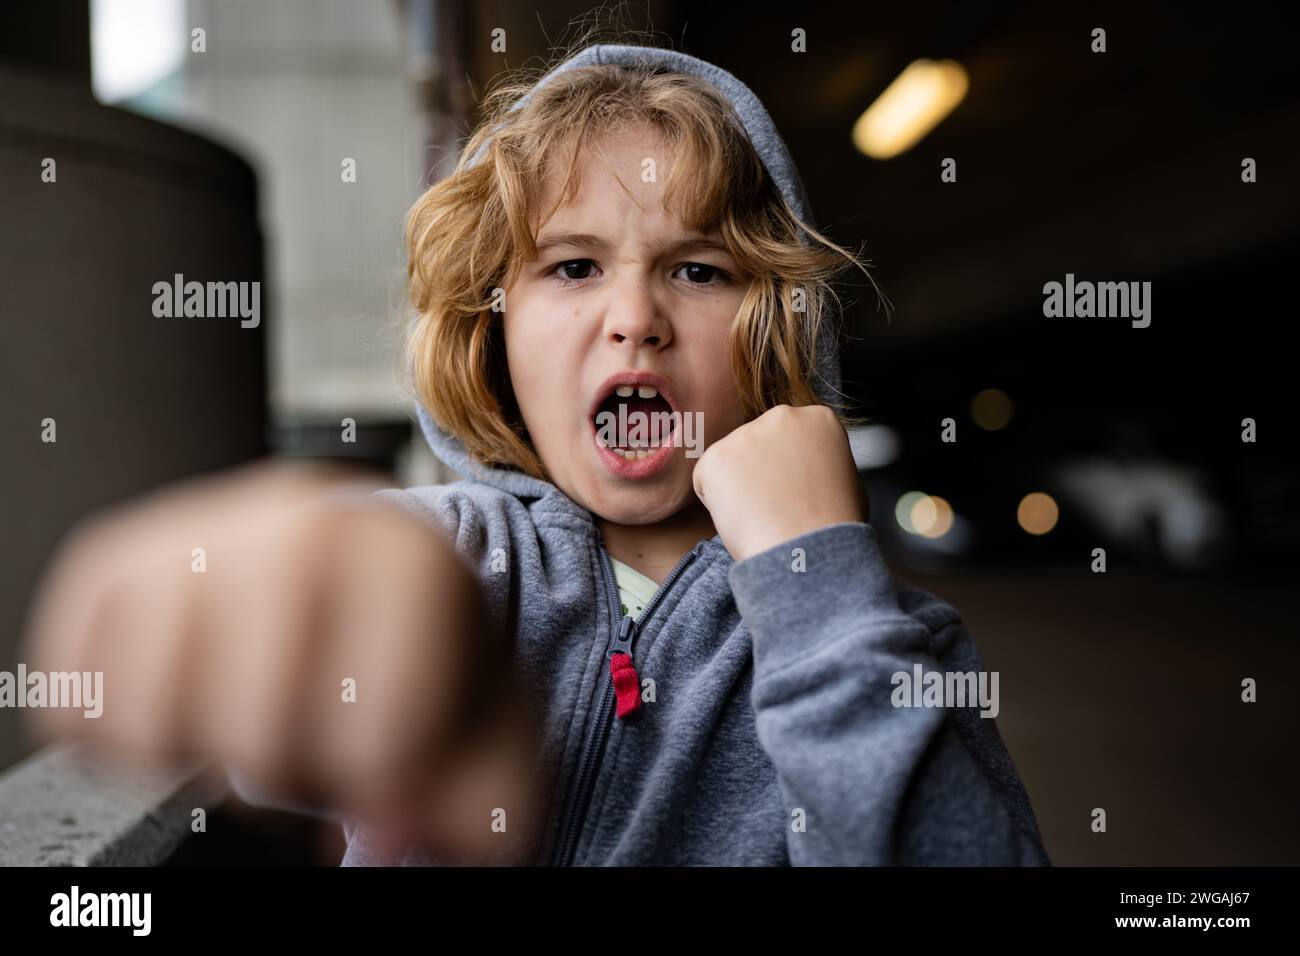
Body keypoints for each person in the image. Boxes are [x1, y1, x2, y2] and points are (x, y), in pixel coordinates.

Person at [22, 42, 1050, 866]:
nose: (635, 318)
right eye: (572, 266)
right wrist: (270, 577)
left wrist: (816, 581)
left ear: (774, 325)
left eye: (698, 269)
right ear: (494, 329)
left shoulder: (877, 629)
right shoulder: (447, 558)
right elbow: (325, 647)